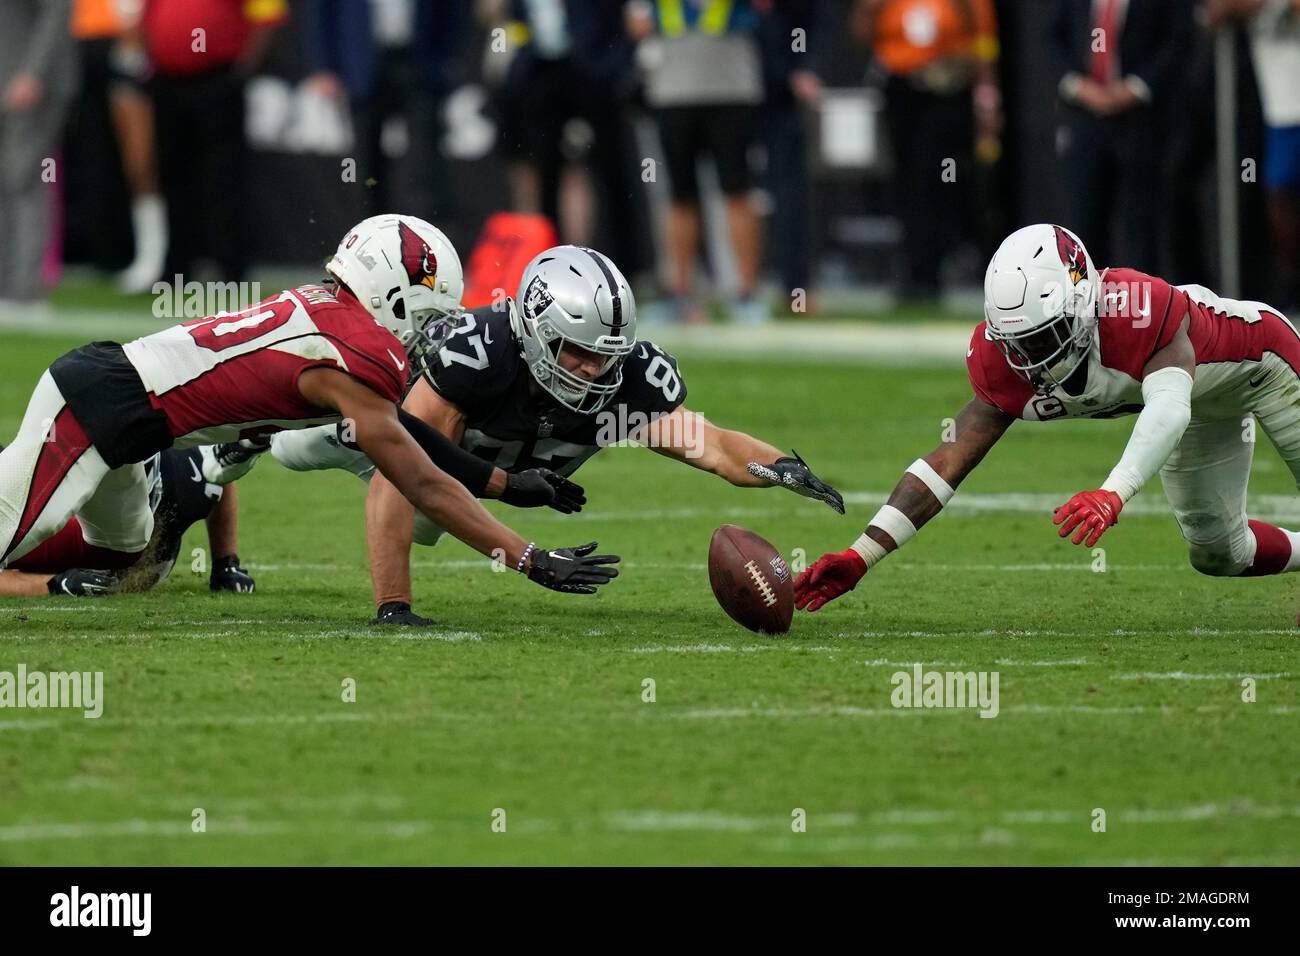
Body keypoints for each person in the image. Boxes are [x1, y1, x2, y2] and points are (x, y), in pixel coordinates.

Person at [0, 215, 621, 608]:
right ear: (395, 297)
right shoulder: (360, 348)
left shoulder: (328, 315)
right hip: (94, 408)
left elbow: (404, 431)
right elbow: (420, 481)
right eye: (428, 317)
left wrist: (505, 484)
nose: (425, 337)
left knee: (124, 552)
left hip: (130, 427)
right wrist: (529, 558)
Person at [229, 245, 844, 624]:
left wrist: (777, 467)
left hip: (468, 483)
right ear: (534, 331)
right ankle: (252, 435)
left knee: (425, 519)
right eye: (576, 353)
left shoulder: (624, 381)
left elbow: (706, 444)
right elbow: (405, 471)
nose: (592, 370)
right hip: (407, 441)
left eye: (605, 356)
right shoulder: (480, 357)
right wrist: (395, 607)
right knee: (301, 448)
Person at [795, 223, 1300, 615]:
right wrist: (863, 553)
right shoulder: (1004, 358)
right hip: (1197, 408)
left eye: (1042, 336)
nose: (1029, 357)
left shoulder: (1134, 309)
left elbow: (1169, 404)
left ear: (1082, 303)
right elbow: (947, 461)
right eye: (1017, 341)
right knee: (1219, 555)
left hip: (1266, 366)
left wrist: (1112, 492)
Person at [0, 446, 255, 597]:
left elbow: (220, 475)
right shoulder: (52, 511)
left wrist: (226, 564)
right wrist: (51, 585)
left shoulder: (185, 481)